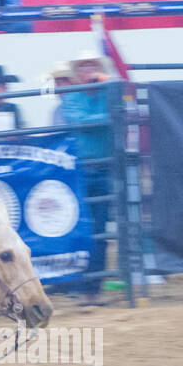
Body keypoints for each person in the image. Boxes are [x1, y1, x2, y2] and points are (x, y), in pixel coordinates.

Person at [58, 51, 113, 302]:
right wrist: (105, 117)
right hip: (80, 171)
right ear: (77, 74)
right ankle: (79, 284)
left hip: (102, 168)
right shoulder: (73, 97)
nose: (88, 71)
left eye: (92, 66)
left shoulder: (106, 92)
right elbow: (82, 122)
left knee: (99, 230)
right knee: (79, 229)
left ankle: (92, 288)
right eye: (84, 67)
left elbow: (102, 118)